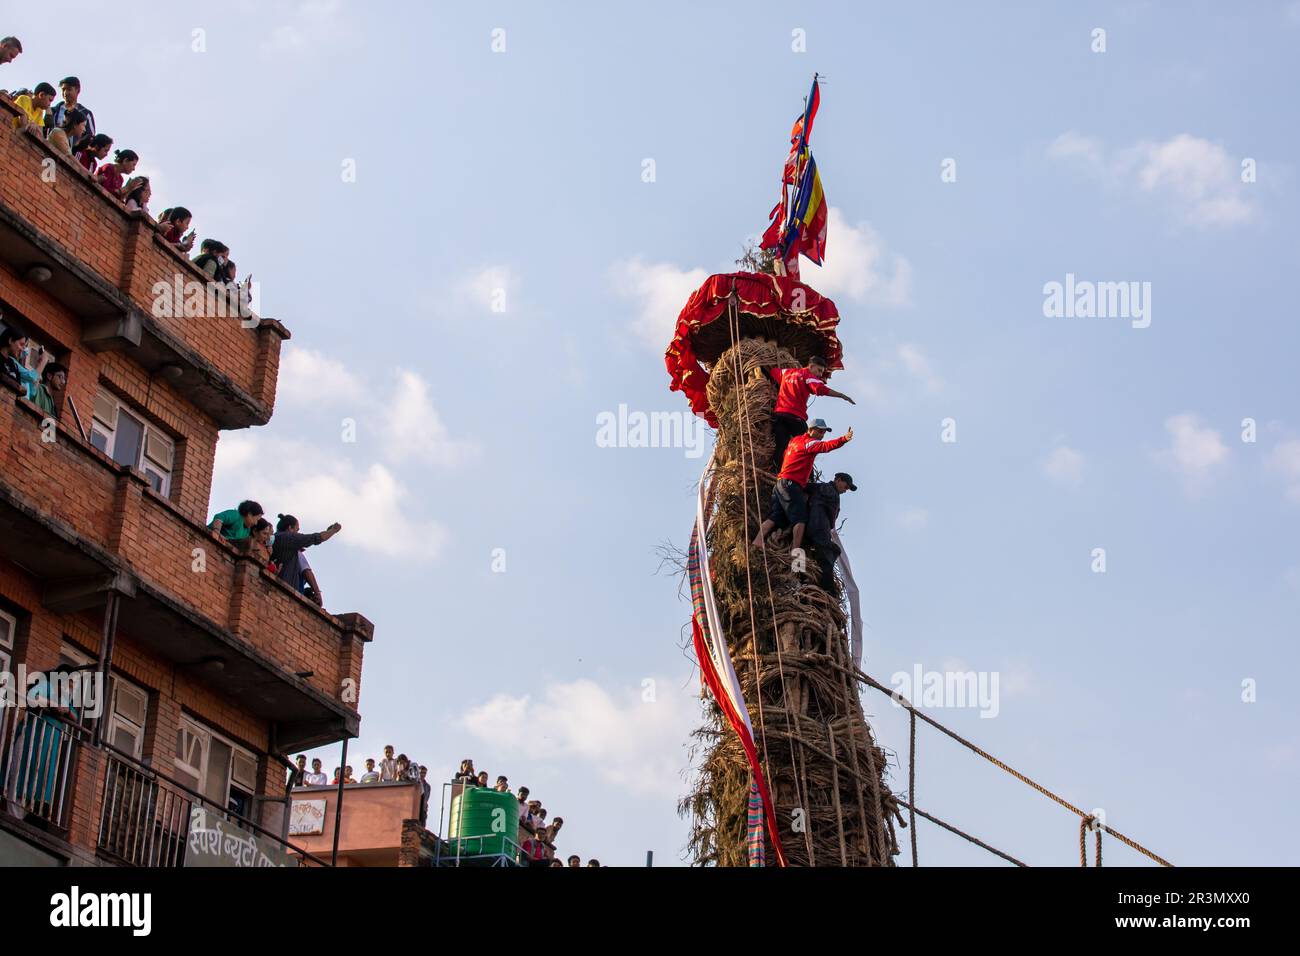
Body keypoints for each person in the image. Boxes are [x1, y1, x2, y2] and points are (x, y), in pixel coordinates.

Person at [753, 419, 853, 556]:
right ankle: (796, 553)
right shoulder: (809, 443)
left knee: (776, 517)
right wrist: (843, 439)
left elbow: (785, 455)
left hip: (780, 484)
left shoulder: (794, 441)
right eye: (819, 431)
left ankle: (757, 541)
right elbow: (826, 446)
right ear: (810, 430)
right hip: (791, 485)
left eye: (824, 432)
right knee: (800, 519)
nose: (822, 434)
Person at [765, 355, 854, 469]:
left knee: (781, 445)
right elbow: (821, 389)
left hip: (779, 415)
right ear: (811, 366)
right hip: (795, 417)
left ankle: (775, 469)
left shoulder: (786, 372)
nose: (820, 374)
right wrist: (842, 395)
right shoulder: (809, 376)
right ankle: (806, 477)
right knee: (808, 446)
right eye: (819, 370)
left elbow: (773, 371)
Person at [805, 472, 856, 592]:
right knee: (827, 556)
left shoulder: (822, 488)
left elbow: (806, 487)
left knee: (829, 551)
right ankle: (826, 587)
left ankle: (804, 575)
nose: (846, 490)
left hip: (816, 527)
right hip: (819, 527)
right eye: (846, 486)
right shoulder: (829, 490)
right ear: (838, 480)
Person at [269, 514, 341, 593]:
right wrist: (333, 530)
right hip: (284, 590)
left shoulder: (273, 538)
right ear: (290, 528)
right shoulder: (289, 538)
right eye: (297, 529)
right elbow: (316, 538)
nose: (298, 532)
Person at [1, 328, 48, 401]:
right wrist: (43, 362)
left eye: (25, 346)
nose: (23, 349)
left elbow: (31, 393)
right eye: (21, 344)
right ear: (10, 341)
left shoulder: (14, 365)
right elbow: (31, 377)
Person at [47, 76, 95, 147]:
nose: (65, 93)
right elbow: (46, 130)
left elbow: (90, 136)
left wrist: (76, 148)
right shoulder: (54, 110)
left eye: (69, 89)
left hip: (73, 155)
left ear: (77, 90)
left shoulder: (86, 113)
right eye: (63, 89)